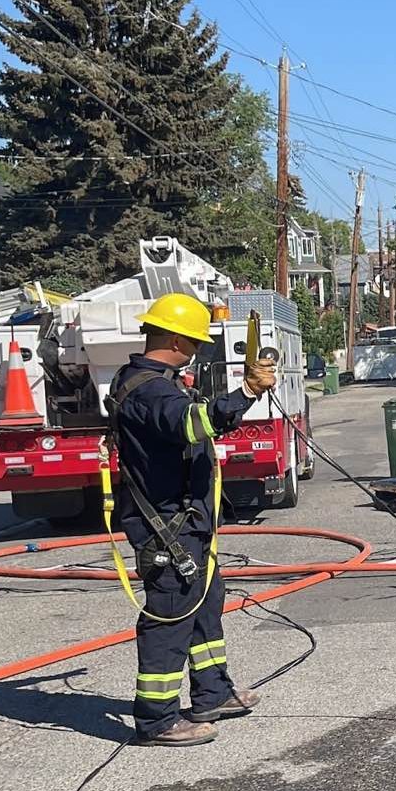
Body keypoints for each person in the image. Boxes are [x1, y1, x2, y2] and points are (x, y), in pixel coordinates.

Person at [107, 292, 276, 747]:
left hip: (187, 523)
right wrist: (244, 394)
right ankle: (157, 719)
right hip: (168, 527)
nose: (199, 351)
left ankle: (212, 693)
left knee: (204, 601)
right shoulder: (148, 390)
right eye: (197, 342)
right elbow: (192, 423)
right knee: (171, 614)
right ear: (180, 340)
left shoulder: (155, 381)